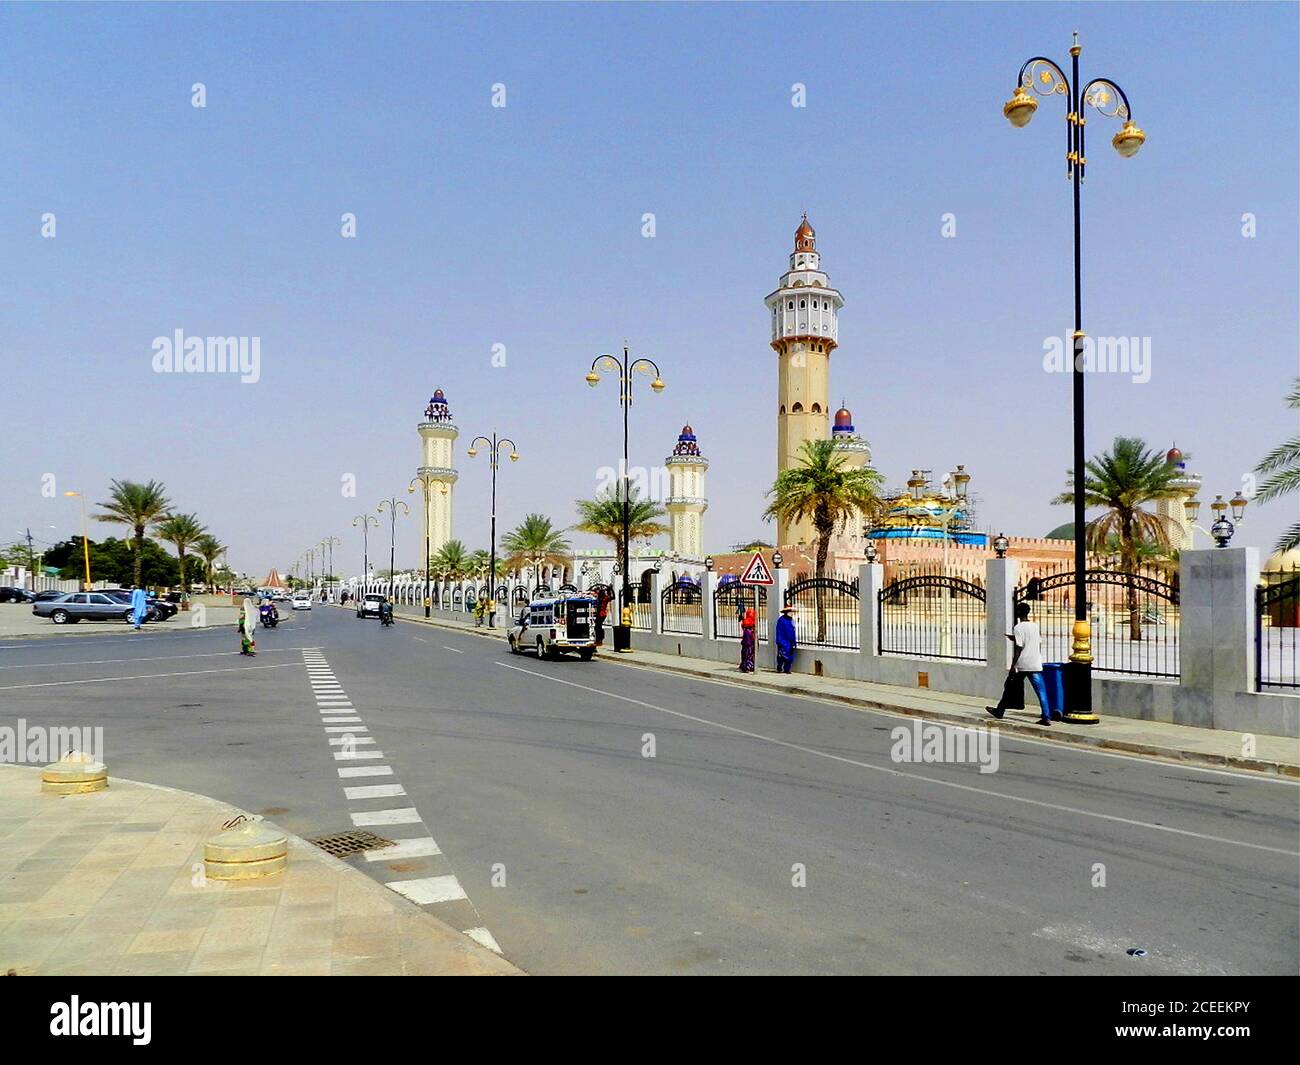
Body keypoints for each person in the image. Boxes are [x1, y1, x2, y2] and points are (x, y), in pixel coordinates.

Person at [987, 601, 1053, 725]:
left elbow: (1019, 647)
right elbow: (1034, 641)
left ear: (1018, 613)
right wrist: (1015, 638)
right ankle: (1046, 717)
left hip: (1023, 664)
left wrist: (1013, 666)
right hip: (1035, 662)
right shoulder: (1035, 626)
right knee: (1041, 691)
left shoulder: (1018, 627)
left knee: (1009, 687)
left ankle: (1000, 710)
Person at [775, 604, 797, 674]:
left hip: (790, 642)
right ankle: (779, 667)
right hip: (783, 641)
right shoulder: (781, 620)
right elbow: (779, 632)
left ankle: (787, 669)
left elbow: (793, 631)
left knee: (790, 657)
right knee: (781, 656)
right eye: (790, 612)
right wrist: (780, 641)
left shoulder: (791, 620)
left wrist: (793, 642)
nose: (792, 613)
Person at [739, 607, 756, 673]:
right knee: (748, 655)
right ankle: (746, 667)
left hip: (747, 642)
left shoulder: (745, 622)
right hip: (749, 642)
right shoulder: (750, 622)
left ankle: (746, 666)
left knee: (746, 655)